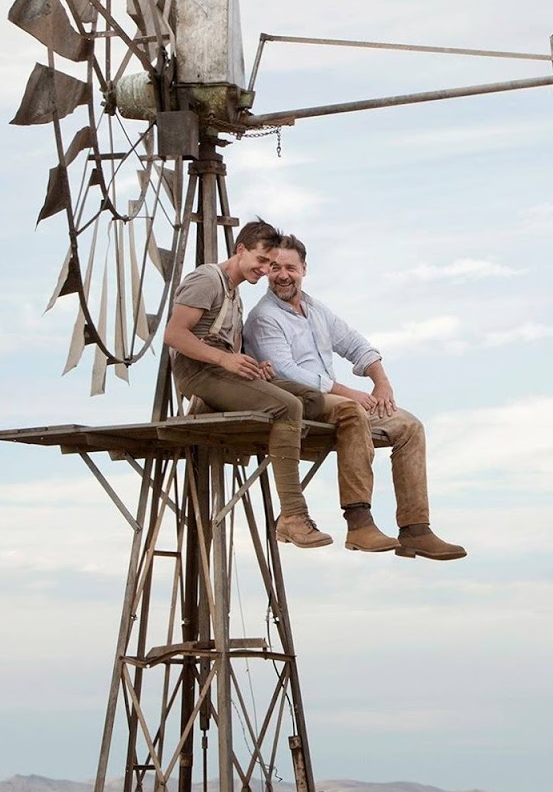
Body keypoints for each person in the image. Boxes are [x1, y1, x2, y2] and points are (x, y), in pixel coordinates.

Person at [244, 234, 465, 561]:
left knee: (409, 427)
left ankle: (416, 529)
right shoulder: (265, 316)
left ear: (304, 269)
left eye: (290, 267)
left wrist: (381, 382)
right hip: (292, 403)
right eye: (274, 267)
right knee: (351, 410)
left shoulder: (316, 309)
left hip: (330, 398)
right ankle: (359, 523)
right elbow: (286, 371)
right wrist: (348, 392)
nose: (282, 274)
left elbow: (354, 343)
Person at [161, 219, 335, 549]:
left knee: (311, 400)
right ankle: (293, 516)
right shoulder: (206, 279)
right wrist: (226, 360)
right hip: (199, 373)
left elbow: (228, 346)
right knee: (288, 406)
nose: (264, 269)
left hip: (220, 371)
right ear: (241, 250)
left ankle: (217, 407)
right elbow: (174, 334)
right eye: (261, 261)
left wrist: (252, 363)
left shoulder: (234, 291)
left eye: (270, 264)